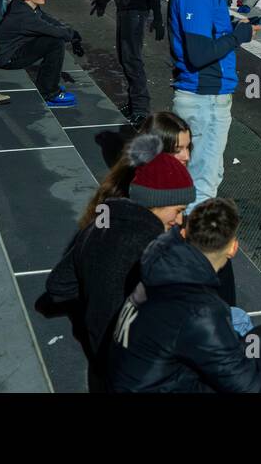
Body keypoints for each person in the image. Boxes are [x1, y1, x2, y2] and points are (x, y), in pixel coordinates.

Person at [45, 121, 197, 390]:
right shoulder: (156, 251)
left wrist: (97, 299)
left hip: (100, 349)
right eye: (178, 210)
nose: (180, 218)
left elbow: (59, 286)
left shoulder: (101, 223)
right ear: (158, 202)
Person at [108, 197, 261, 393]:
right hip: (170, 384)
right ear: (234, 248)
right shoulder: (200, 310)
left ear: (185, 233)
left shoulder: (161, 261)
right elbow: (248, 387)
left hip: (158, 376)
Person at [166, 0, 260, 206]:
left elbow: (201, 32)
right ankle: (194, 247)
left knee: (199, 177)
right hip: (205, 96)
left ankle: (182, 241)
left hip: (202, 94)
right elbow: (198, 53)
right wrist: (237, 37)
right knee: (202, 184)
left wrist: (229, 26)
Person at [0, 0, 83, 108]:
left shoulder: (27, 7)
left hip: (14, 50)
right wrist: (73, 35)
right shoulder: (24, 16)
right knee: (55, 43)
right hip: (8, 58)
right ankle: (50, 93)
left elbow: (50, 22)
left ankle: (48, 83)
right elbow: (51, 30)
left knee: (53, 39)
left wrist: (71, 33)